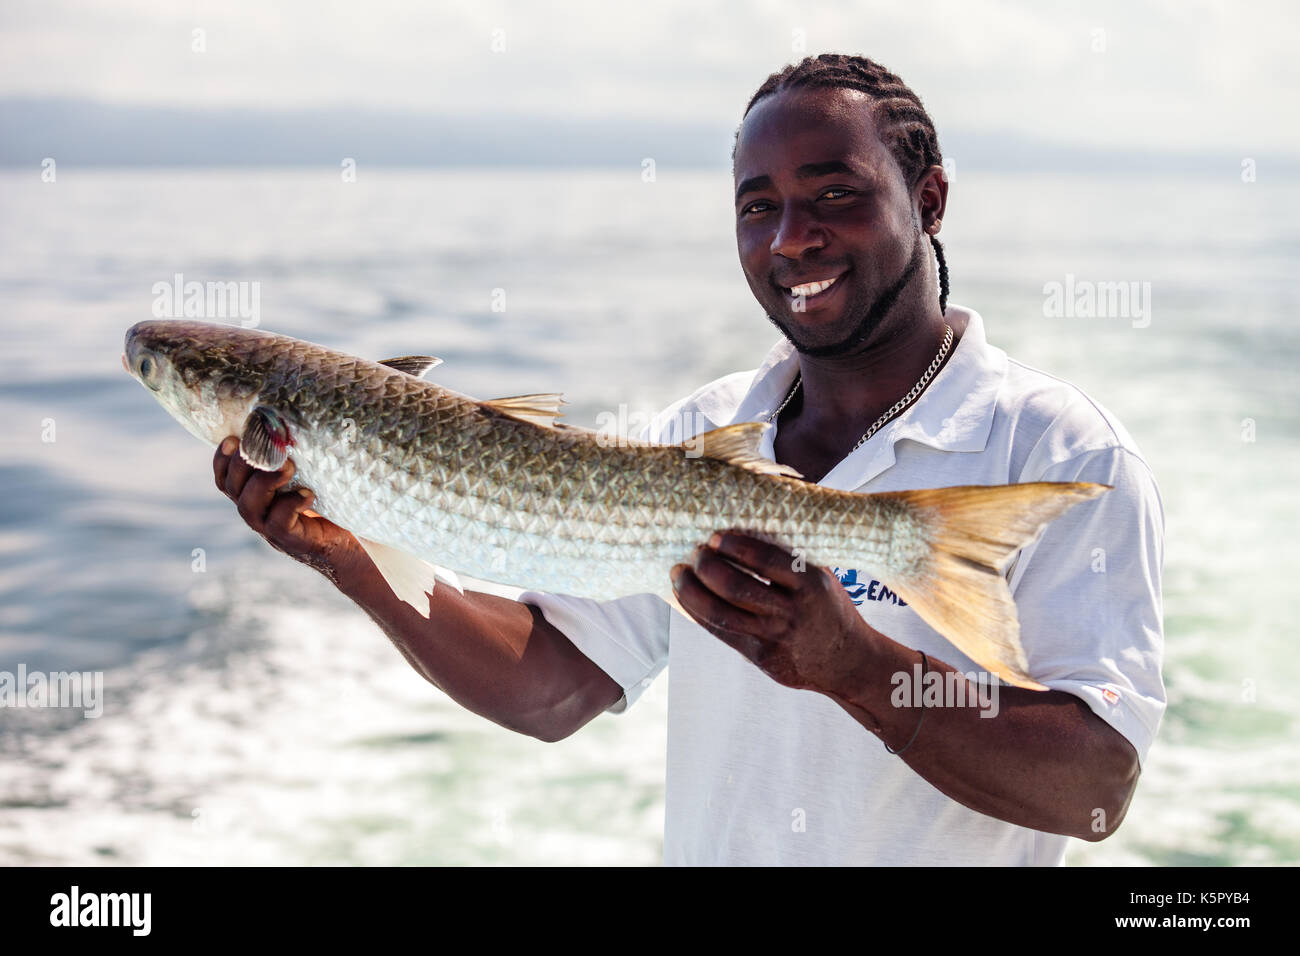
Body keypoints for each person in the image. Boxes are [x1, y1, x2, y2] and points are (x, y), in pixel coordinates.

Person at [211, 54, 1165, 865]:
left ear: (931, 198)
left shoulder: (1060, 449)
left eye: (836, 193)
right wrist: (344, 552)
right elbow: (550, 689)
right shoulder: (701, 435)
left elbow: (1095, 786)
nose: (794, 239)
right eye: (761, 207)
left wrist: (855, 666)